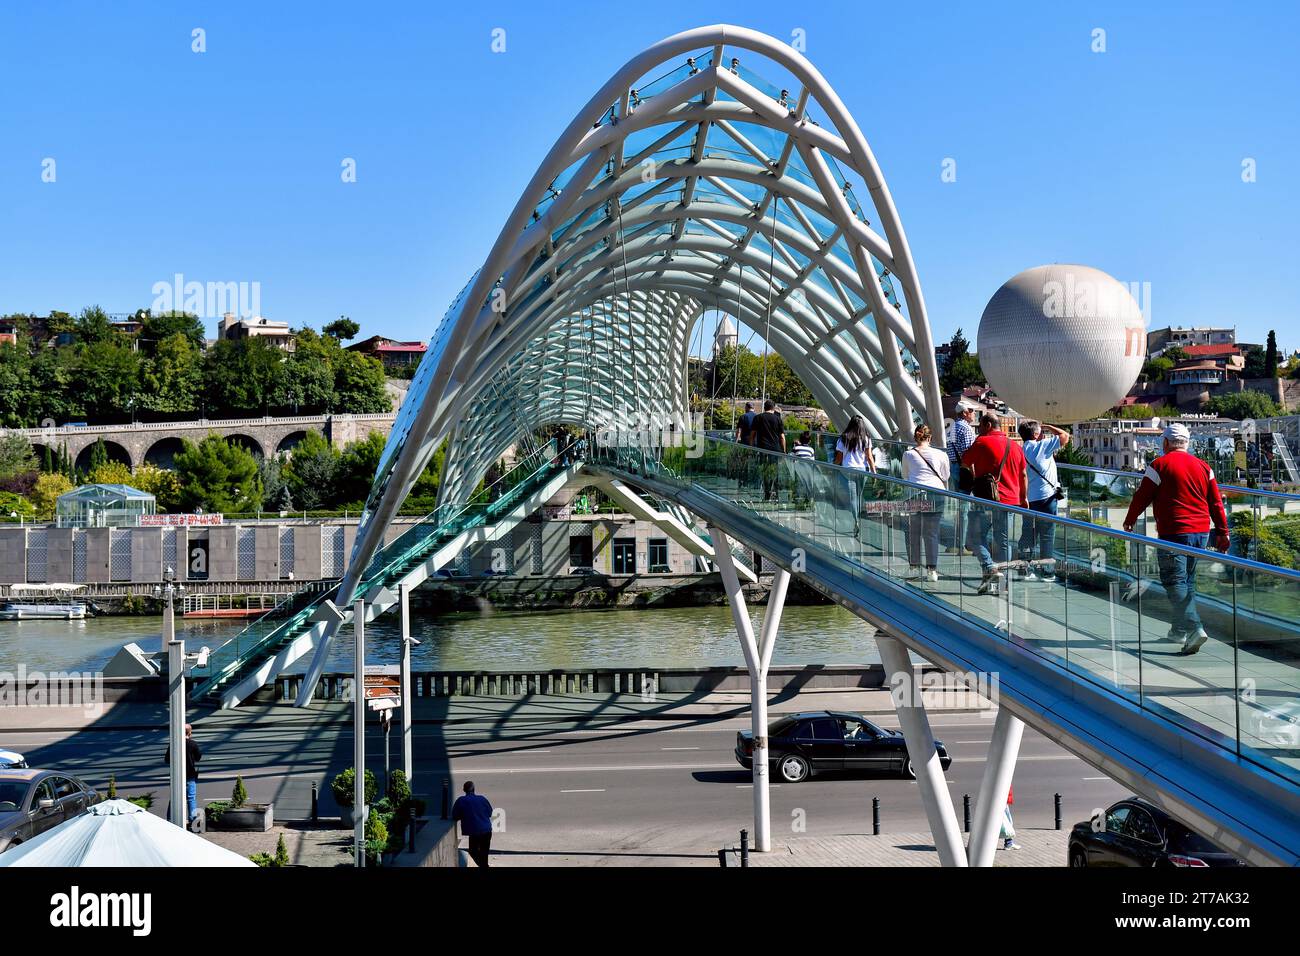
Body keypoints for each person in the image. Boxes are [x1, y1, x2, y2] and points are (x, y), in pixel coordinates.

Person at [1123, 422, 1230, 655]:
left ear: (1165, 443)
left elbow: (1142, 497)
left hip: (1173, 532)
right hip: (1200, 533)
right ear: (1187, 443)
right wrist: (1223, 531)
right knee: (1187, 581)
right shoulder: (1204, 467)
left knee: (1174, 581)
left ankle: (1194, 628)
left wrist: (1129, 520)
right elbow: (1215, 502)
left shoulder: (1159, 465)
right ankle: (1179, 630)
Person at [961, 413, 1027, 595]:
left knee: (974, 538)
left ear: (988, 424)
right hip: (1011, 502)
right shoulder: (1015, 446)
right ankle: (1001, 583)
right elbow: (1023, 475)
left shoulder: (982, 442)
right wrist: (1024, 498)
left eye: (980, 427)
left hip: (986, 500)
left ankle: (990, 567)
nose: (979, 431)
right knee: (1003, 542)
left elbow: (965, 462)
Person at [1016, 420, 1070, 582]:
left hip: (1027, 499)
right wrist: (1048, 426)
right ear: (1036, 434)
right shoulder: (1043, 446)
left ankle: (1025, 569)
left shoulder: (1019, 450)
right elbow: (1065, 436)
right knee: (1047, 535)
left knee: (1027, 535)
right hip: (1046, 497)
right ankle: (1047, 572)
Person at [902, 424, 949, 582]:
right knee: (931, 533)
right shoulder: (941, 454)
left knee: (913, 532)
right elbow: (945, 475)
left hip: (915, 495)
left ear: (916, 437)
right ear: (930, 438)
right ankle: (932, 571)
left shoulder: (908, 454)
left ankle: (914, 567)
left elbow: (905, 475)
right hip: (936, 494)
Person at [834, 415, 876, 533]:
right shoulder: (866, 438)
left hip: (848, 470)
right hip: (862, 470)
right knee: (859, 495)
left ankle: (855, 520)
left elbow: (839, 457)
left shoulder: (843, 438)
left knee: (853, 497)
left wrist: (833, 467)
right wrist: (874, 473)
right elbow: (869, 457)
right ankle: (859, 518)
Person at [946, 402, 977, 550]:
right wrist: (975, 474)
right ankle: (962, 544)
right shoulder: (966, 429)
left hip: (953, 467)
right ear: (965, 413)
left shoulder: (951, 427)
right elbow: (968, 455)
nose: (974, 413)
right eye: (971, 411)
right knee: (965, 508)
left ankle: (957, 541)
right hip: (964, 470)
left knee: (959, 507)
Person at [164, 722, 202, 831]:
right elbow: (198, 757)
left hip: (177, 776)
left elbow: (167, 760)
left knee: (174, 798)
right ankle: (193, 820)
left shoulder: (173, 744)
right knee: (191, 798)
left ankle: (171, 819)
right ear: (190, 732)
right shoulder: (193, 744)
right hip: (190, 775)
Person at [452, 780, 495, 867]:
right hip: (486, 830)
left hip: (474, 832)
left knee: (473, 852)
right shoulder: (482, 798)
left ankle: (484, 866)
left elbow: (455, 816)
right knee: (484, 853)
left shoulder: (461, 801)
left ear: (464, 790)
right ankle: (484, 865)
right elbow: (490, 813)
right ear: (474, 789)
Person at [752, 400, 787, 501]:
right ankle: (774, 492)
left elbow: (753, 434)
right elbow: (782, 437)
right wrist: (784, 451)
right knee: (774, 471)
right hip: (775, 449)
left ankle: (766, 491)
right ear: (773, 408)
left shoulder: (758, 418)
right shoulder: (778, 419)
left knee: (764, 470)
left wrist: (751, 447)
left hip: (762, 448)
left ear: (764, 407)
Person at [1000, 785, 1020, 850]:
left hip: (1002, 799)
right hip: (1002, 800)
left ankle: (1009, 843)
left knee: (1008, 821)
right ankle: (1008, 843)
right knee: (1009, 821)